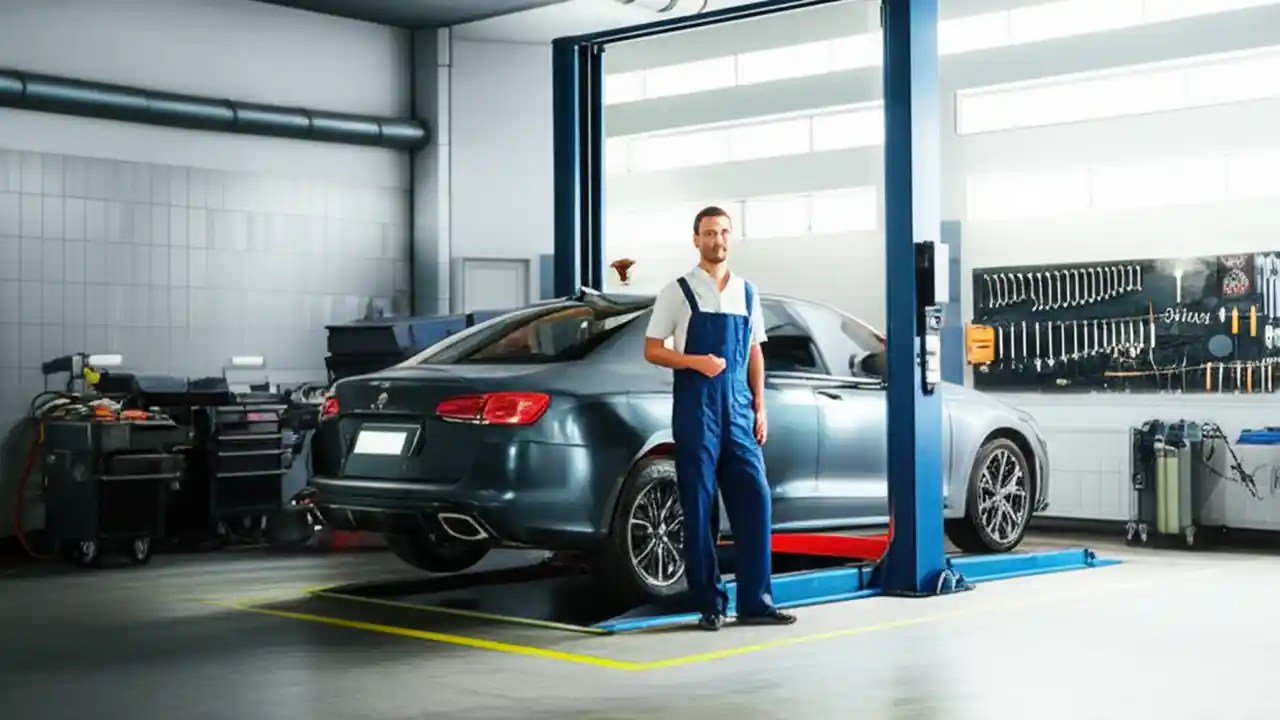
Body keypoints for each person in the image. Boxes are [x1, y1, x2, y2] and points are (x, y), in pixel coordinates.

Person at [642, 205, 796, 631]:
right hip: (697, 411)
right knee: (699, 506)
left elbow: (755, 350)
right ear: (696, 239)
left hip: (740, 412)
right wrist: (694, 361)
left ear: (732, 237)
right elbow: (652, 348)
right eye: (709, 233)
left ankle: (756, 602)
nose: (718, 240)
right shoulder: (677, 291)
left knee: (755, 501)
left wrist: (760, 406)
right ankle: (710, 604)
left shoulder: (748, 292)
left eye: (724, 232)